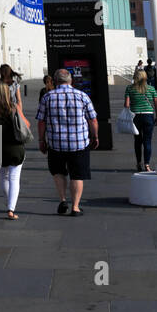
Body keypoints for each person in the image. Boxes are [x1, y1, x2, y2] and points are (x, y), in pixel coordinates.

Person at [36, 68, 99, 216]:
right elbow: (93, 119)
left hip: (56, 143)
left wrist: (41, 140)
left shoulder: (47, 97)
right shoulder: (82, 96)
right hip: (79, 144)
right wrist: (95, 136)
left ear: (55, 81)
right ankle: (75, 207)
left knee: (58, 172)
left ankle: (63, 200)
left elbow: (41, 121)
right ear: (70, 80)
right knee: (77, 175)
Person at [0, 75, 28, 219]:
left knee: (4, 177)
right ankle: (11, 208)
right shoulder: (14, 107)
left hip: (0, 146)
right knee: (14, 178)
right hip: (15, 146)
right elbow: (26, 124)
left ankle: (9, 203)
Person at [124, 70, 157, 172]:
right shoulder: (151, 89)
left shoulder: (129, 88)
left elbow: (126, 105)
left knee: (137, 141)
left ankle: (139, 163)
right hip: (148, 116)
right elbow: (156, 104)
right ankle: (147, 165)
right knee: (147, 141)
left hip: (135, 116)